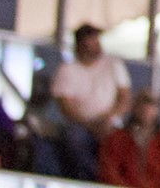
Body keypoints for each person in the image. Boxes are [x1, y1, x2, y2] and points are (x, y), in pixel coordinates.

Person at [46, 23, 130, 180]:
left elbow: (124, 97)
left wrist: (111, 117)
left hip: (110, 123)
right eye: (92, 41)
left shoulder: (113, 64)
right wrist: (89, 124)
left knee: (125, 142)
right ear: (80, 45)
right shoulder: (67, 70)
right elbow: (65, 106)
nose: (97, 45)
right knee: (74, 138)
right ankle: (92, 178)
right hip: (81, 124)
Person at [98, 92, 160, 188]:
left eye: (151, 104)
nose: (146, 109)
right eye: (143, 103)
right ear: (134, 107)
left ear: (157, 110)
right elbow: (108, 173)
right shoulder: (115, 140)